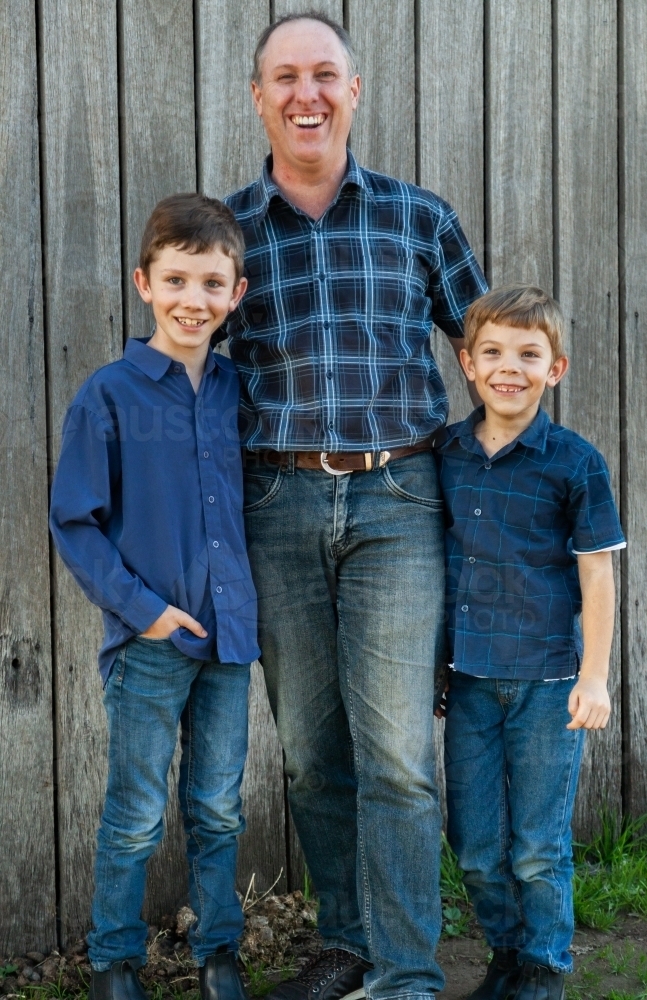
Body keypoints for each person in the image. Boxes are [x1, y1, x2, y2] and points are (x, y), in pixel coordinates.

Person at [222, 12, 487, 1000]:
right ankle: (347, 944)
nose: (307, 94)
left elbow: (489, 356)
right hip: (278, 502)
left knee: (396, 754)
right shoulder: (229, 230)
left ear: (354, 90)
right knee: (311, 753)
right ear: (258, 97)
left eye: (324, 75)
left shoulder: (419, 219)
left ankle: (409, 971)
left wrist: (493, 498)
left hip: (397, 498)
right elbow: (191, 369)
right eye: (285, 77)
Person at [49, 194, 259, 1000]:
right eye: (175, 280)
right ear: (144, 282)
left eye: (211, 284)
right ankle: (114, 962)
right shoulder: (111, 394)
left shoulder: (240, 392)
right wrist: (146, 612)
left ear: (235, 294)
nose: (192, 300)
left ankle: (218, 954)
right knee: (135, 814)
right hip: (150, 643)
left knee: (217, 809)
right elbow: (76, 522)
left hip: (232, 641)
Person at [438, 285, 626, 1000]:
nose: (507, 366)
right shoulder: (446, 452)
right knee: (478, 848)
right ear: (467, 363)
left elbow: (598, 574)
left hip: (549, 682)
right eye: (492, 352)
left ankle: (545, 965)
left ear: (555, 369)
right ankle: (507, 952)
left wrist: (596, 676)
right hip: (470, 682)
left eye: (527, 353)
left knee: (537, 848)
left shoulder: (573, 462)